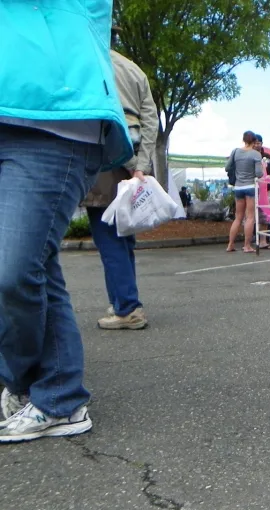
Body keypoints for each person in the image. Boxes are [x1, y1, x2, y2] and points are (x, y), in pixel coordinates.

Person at [0, 1, 134, 442]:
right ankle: (52, 390)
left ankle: (31, 383)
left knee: (17, 268)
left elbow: (148, 115)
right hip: (33, 110)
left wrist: (139, 163)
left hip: (58, 118)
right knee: (36, 261)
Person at [82, 36, 158, 331]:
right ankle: (123, 300)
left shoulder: (89, 62)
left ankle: (127, 307)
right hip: (133, 164)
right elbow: (150, 121)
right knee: (124, 237)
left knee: (108, 237)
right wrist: (141, 166)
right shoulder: (133, 68)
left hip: (104, 161)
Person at [225, 130, 263, 253]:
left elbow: (227, 167)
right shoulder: (256, 154)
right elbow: (259, 173)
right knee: (250, 217)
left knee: (238, 218)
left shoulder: (235, 151)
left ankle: (230, 244)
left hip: (238, 187)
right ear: (254, 141)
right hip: (250, 186)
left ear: (243, 140)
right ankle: (247, 245)